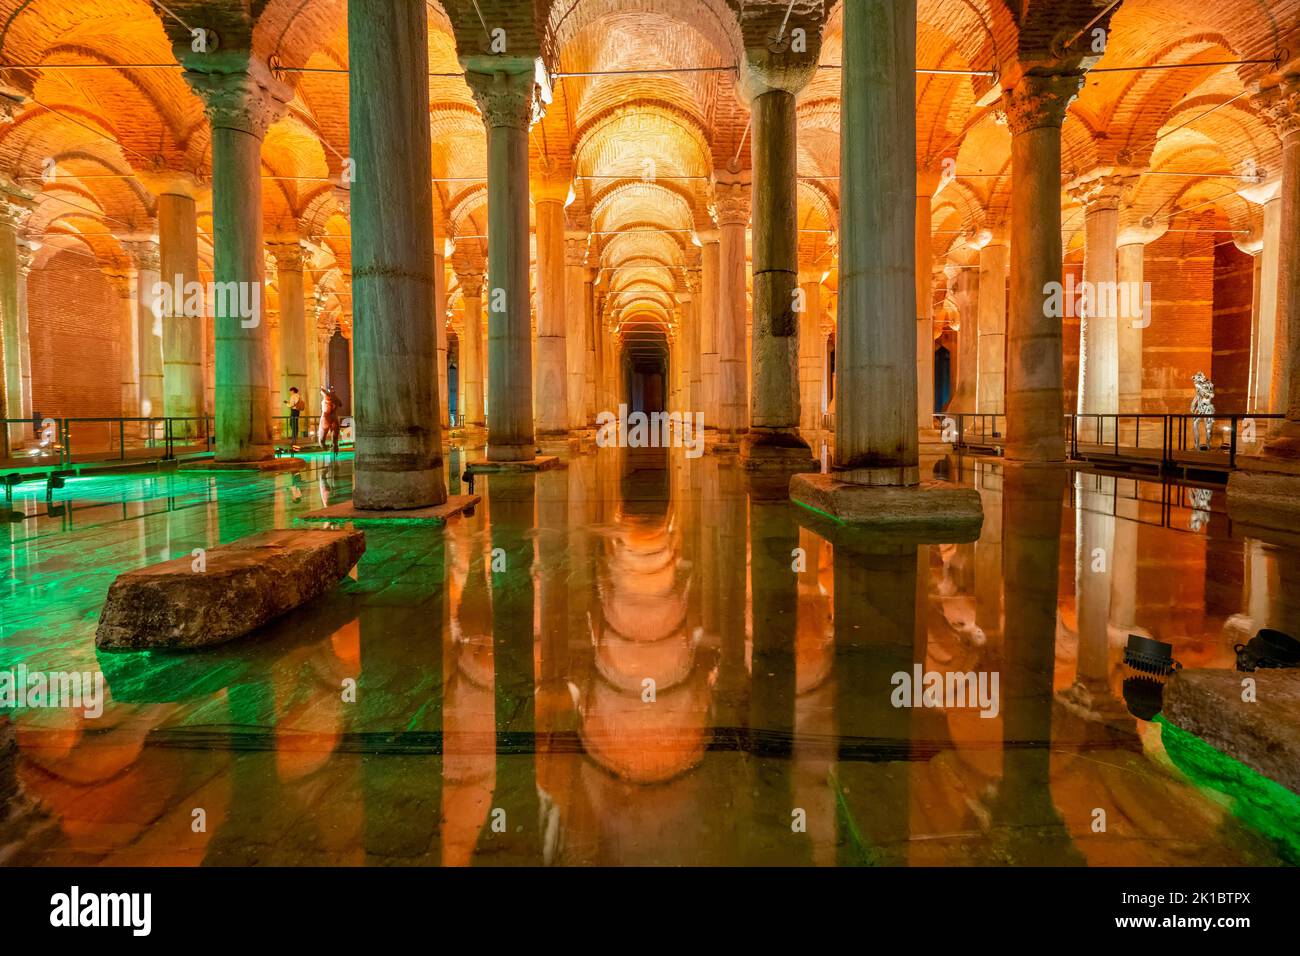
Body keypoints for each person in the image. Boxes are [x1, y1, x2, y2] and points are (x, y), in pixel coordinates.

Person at [318, 384, 342, 456]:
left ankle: (324, 447)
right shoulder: (337, 398)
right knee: (335, 439)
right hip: (334, 417)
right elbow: (340, 404)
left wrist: (321, 388)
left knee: (322, 439)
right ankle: (335, 450)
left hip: (326, 417)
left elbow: (323, 392)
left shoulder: (327, 395)